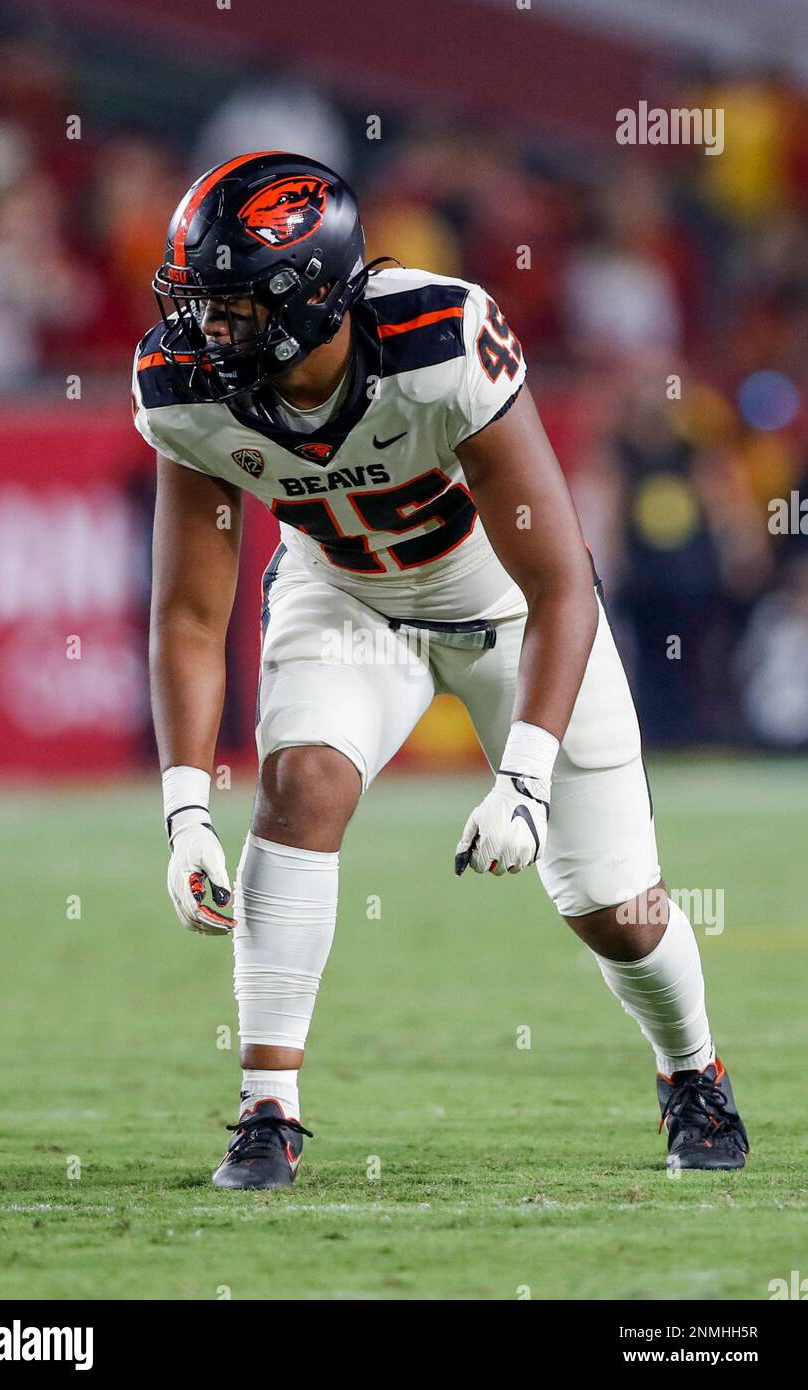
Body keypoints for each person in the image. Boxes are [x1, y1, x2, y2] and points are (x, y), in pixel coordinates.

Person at [132, 151, 748, 1189]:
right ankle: (266, 1106)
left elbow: (558, 582)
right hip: (349, 594)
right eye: (199, 304)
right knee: (299, 785)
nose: (203, 331)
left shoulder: (437, 338)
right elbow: (192, 608)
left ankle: (690, 1066)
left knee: (611, 906)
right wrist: (185, 808)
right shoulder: (184, 388)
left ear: (308, 298)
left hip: (507, 606)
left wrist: (520, 779)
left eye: (231, 306)